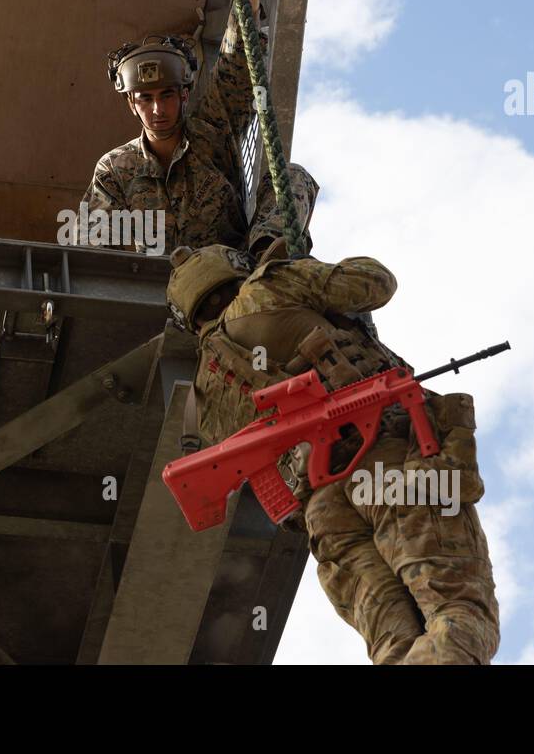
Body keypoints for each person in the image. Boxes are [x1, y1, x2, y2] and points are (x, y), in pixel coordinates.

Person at [166, 240, 501, 664]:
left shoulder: (206, 387)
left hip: (326, 513)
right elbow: (377, 282)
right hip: (388, 463)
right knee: (459, 611)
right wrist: (301, 270)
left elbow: (253, 466)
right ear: (236, 272)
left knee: (393, 645)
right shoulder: (267, 288)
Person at [80, 0, 317, 257]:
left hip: (234, 269)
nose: (158, 110)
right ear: (132, 104)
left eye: (167, 96)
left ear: (185, 95)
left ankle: (269, 259)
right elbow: (90, 245)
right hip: (164, 283)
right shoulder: (116, 168)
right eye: (145, 99)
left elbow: (239, 56)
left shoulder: (213, 130)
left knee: (292, 177)